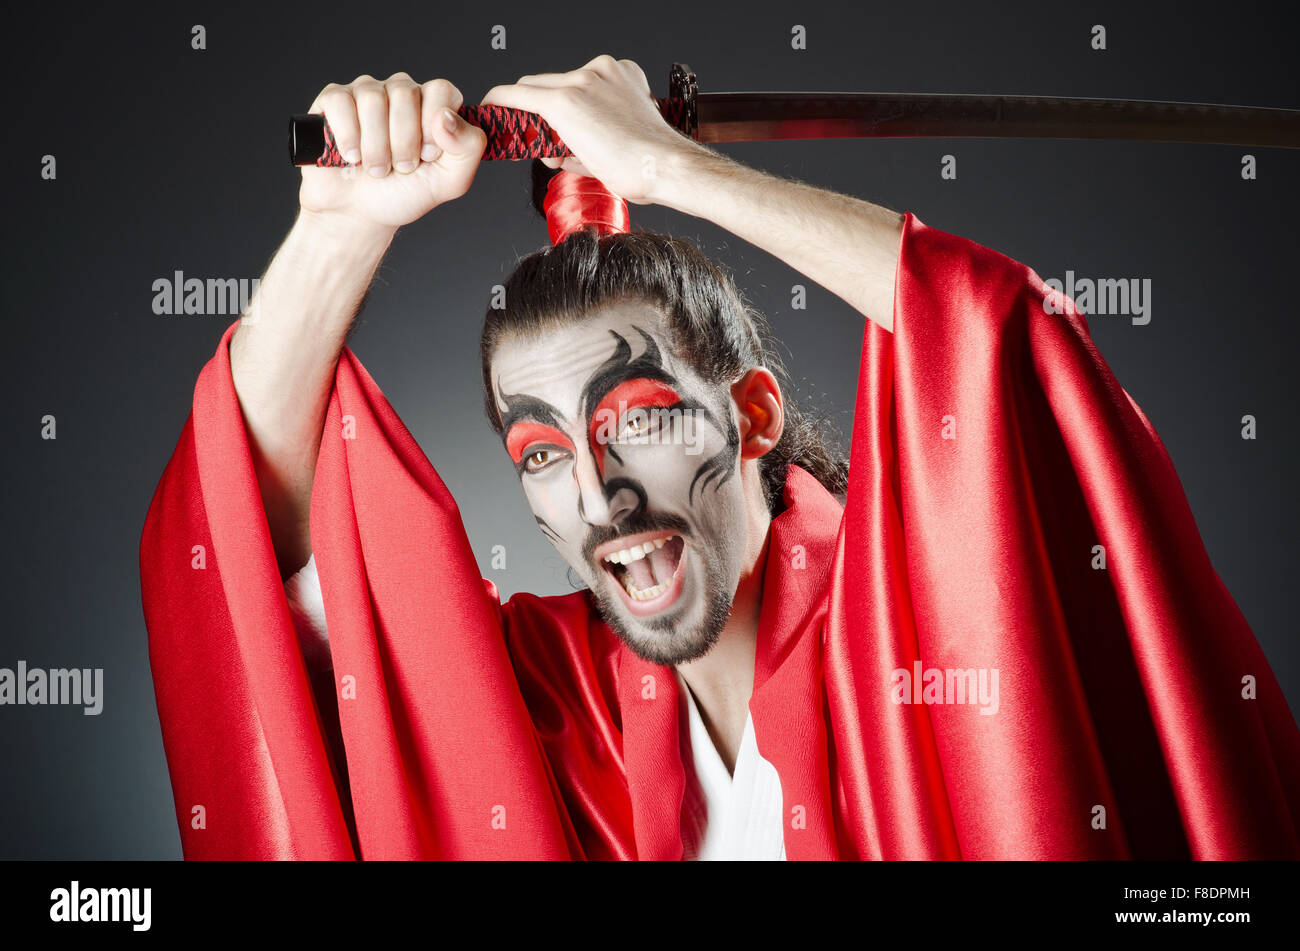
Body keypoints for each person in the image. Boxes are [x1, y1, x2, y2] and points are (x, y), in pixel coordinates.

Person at [140, 56, 1300, 860]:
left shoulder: (920, 625)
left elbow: (1002, 339)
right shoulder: (546, 705)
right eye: (541, 451)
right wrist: (338, 228)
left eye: (639, 418)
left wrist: (676, 173)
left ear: (751, 413)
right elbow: (239, 545)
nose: (597, 493)